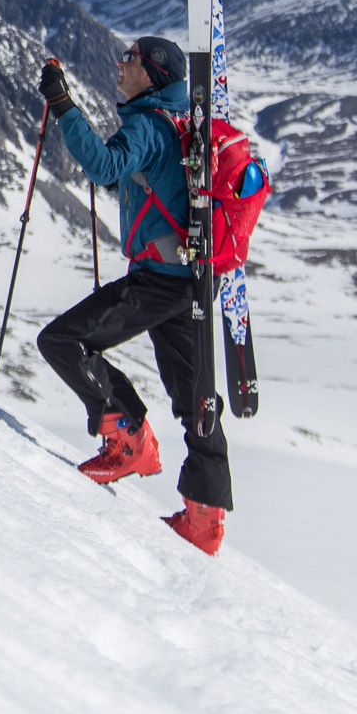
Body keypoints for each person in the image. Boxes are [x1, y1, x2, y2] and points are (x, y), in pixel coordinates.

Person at [33, 37, 233, 555]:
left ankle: (128, 438)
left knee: (64, 341)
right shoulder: (179, 121)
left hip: (157, 279)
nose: (120, 65)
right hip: (188, 276)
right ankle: (204, 518)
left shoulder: (147, 125)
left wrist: (62, 105)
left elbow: (103, 167)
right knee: (195, 394)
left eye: (130, 60)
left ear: (154, 75)